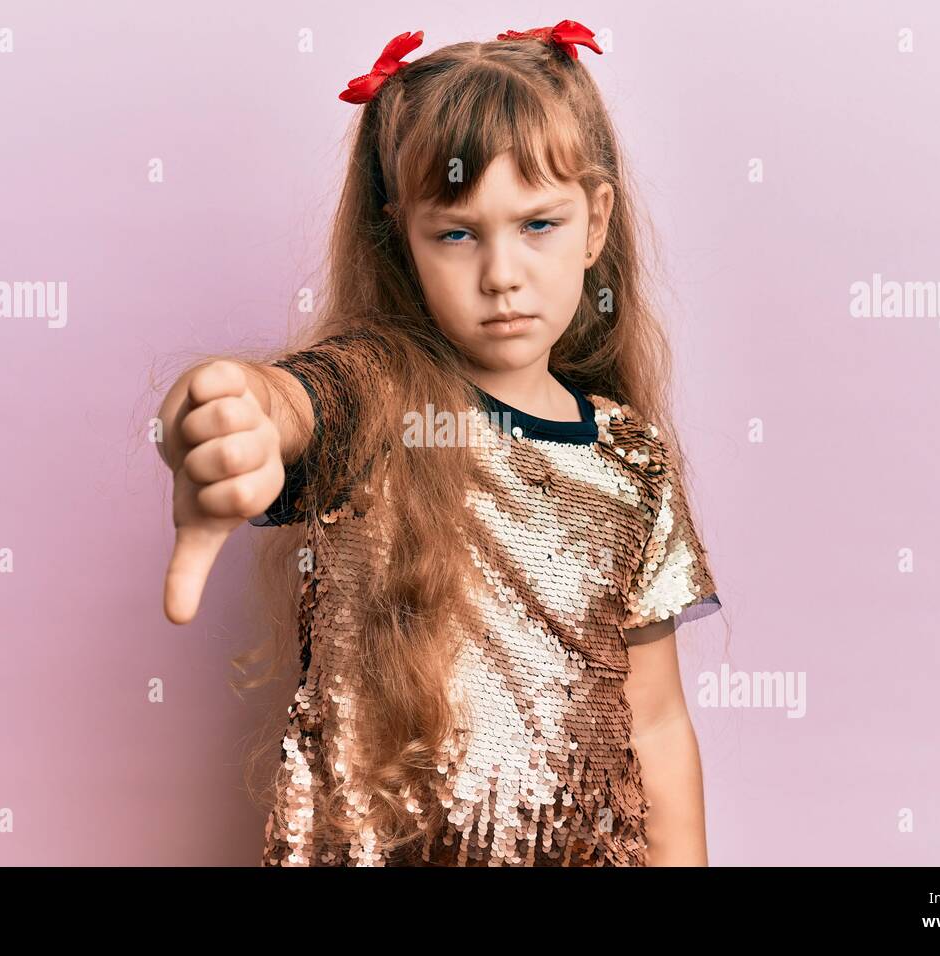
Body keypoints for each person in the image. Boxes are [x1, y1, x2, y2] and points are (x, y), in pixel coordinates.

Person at [155, 20, 724, 866]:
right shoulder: (379, 399)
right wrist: (230, 413)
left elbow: (659, 719)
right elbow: (296, 400)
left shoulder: (631, 461)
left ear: (596, 222)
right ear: (403, 240)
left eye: (539, 224)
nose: (502, 272)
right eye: (457, 234)